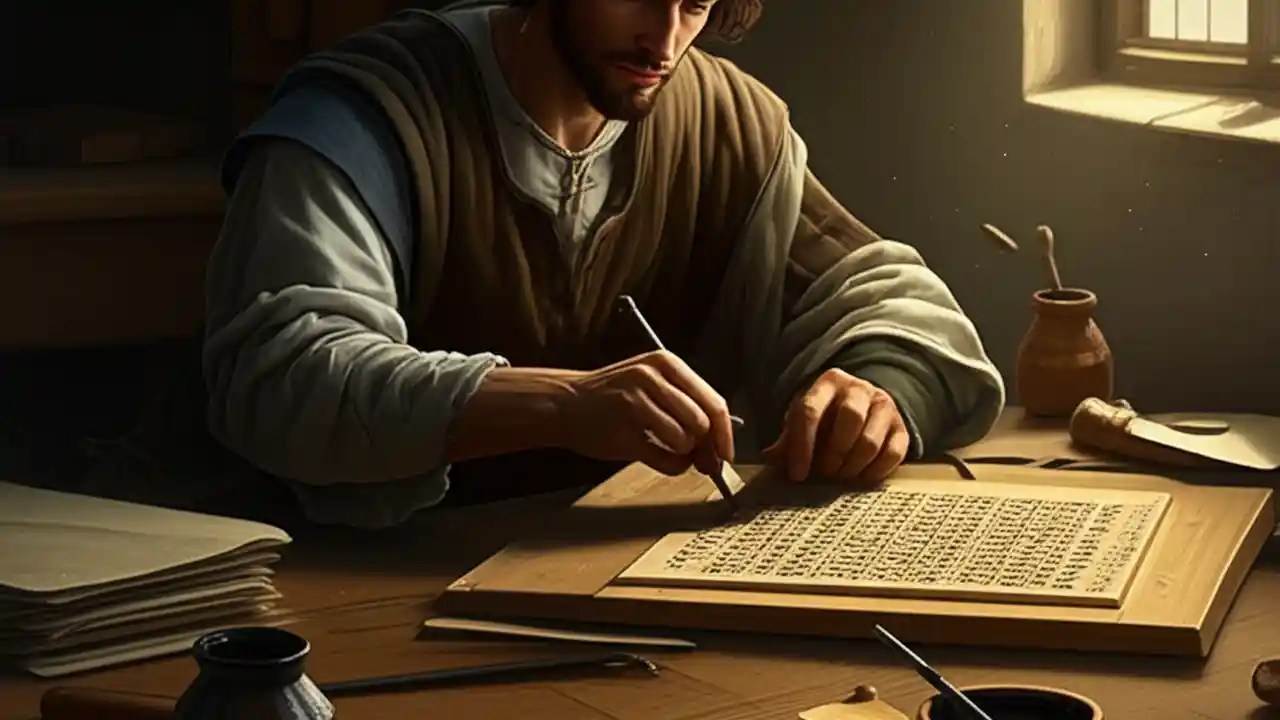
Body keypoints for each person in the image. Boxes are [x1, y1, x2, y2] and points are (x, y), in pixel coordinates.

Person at [205, 0, 1005, 529]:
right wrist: (563, 403)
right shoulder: (371, 117)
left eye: (694, 2)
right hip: (348, 584)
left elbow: (879, 293)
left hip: (619, 578)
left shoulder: (728, 124)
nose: (664, 41)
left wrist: (877, 389)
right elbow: (287, 378)